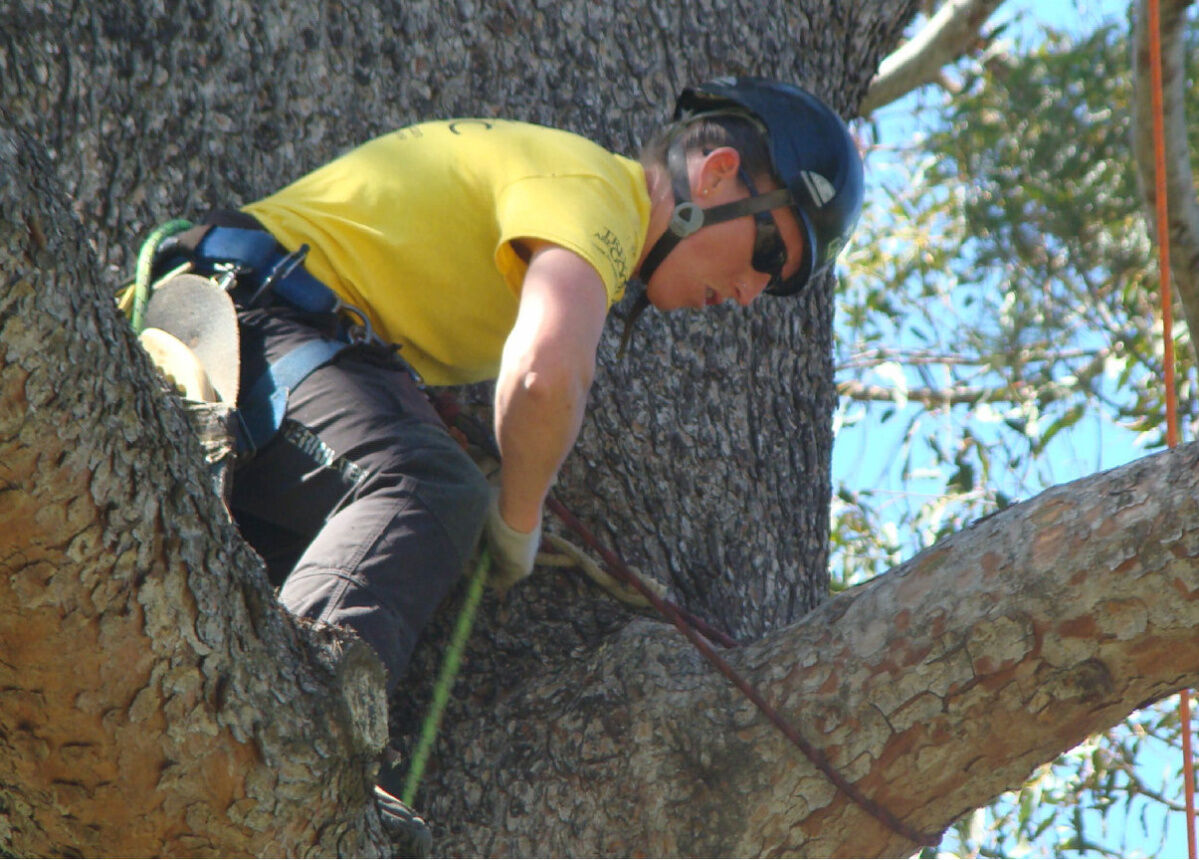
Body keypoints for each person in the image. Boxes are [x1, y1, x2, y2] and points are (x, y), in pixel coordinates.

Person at [146, 76, 863, 853]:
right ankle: (290, 740)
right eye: (768, 251)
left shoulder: (575, 198)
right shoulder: (598, 194)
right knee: (425, 486)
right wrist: (518, 514)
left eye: (775, 284)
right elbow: (544, 376)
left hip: (267, 343)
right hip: (255, 317)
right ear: (715, 173)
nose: (752, 291)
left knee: (289, 570)